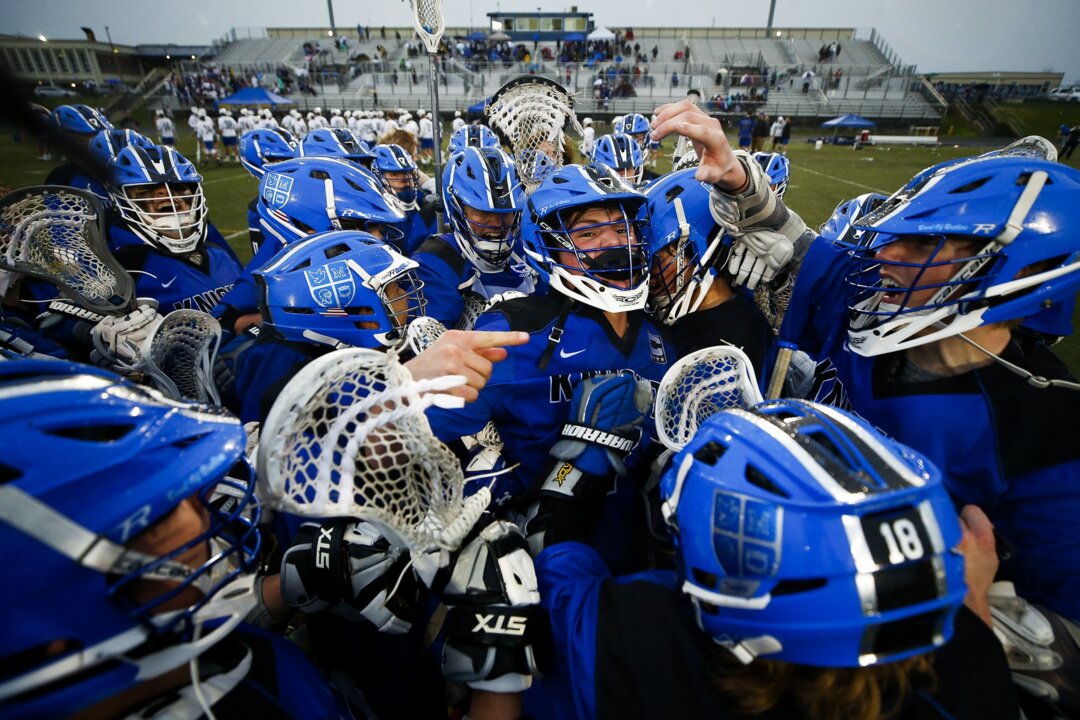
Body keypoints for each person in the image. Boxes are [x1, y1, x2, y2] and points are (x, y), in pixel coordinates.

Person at [669, 103, 1080, 711]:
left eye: (920, 243)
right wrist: (734, 174)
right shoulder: (876, 305)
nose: (888, 255)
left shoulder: (1048, 431)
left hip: (886, 673)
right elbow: (791, 242)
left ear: (1018, 269)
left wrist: (945, 597)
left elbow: (1061, 644)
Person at [531, 397, 1018, 720]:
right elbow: (966, 658)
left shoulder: (637, 634)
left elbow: (554, 557)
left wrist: (579, 461)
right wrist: (973, 599)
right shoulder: (966, 668)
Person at [0, 359, 354, 718]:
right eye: (161, 512)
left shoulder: (185, 642)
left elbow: (210, 619)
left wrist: (297, 583)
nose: (206, 511)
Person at [426, 164, 671, 573]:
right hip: (535, 560)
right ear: (548, 247)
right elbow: (422, 436)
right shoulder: (513, 330)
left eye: (622, 228)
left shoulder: (661, 338)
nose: (614, 243)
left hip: (638, 554)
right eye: (588, 233)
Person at [413, 146, 535, 329]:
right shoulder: (435, 263)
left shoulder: (527, 252)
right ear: (456, 208)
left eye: (506, 213)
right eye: (482, 212)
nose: (496, 222)